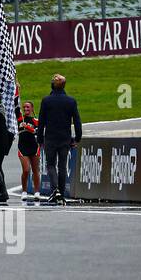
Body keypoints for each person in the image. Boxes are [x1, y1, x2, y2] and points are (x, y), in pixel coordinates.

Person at [37, 73, 82, 204]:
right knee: (62, 165)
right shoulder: (71, 101)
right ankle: (61, 193)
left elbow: (41, 122)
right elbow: (77, 121)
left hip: (50, 137)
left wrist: (40, 139)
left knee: (51, 164)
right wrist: (77, 138)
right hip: (65, 138)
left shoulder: (46, 100)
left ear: (53, 85)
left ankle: (55, 189)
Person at [16, 92, 41, 202]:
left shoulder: (36, 121)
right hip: (23, 148)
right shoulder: (19, 119)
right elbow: (15, 104)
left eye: (28, 107)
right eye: (24, 107)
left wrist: (29, 128)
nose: (26, 109)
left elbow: (38, 132)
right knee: (26, 170)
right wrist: (17, 89)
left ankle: (36, 192)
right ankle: (24, 191)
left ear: (32, 109)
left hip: (34, 147)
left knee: (35, 170)